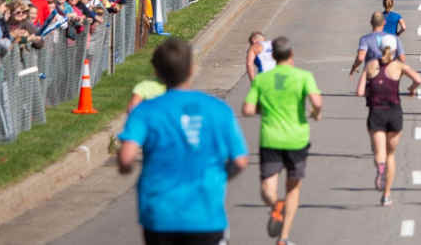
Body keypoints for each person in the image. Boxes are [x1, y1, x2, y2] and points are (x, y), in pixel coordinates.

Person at [117, 39, 248, 245]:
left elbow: (126, 158)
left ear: (157, 72)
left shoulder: (146, 110)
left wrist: (126, 168)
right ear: (192, 69)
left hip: (160, 214)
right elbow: (240, 161)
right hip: (205, 214)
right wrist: (220, 176)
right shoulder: (217, 109)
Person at [242, 37, 323, 245]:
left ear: (273, 56)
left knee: (267, 188)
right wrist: (316, 112)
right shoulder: (303, 76)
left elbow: (248, 110)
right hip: (297, 139)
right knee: (293, 189)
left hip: (270, 138)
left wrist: (264, 108)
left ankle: (276, 204)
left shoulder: (262, 80)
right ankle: (284, 237)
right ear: (291, 55)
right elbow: (317, 102)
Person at [356, 35, 421, 206]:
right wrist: (411, 89)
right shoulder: (398, 66)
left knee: (380, 153)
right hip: (394, 114)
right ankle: (386, 196)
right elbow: (418, 79)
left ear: (379, 48)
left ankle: (380, 168)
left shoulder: (370, 65)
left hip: (376, 113)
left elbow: (360, 91)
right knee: (391, 154)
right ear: (394, 50)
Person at [348, 12, 406, 77]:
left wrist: (354, 67)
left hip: (372, 76)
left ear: (371, 23)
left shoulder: (365, 39)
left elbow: (360, 58)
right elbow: (402, 59)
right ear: (384, 22)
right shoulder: (394, 38)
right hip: (390, 75)